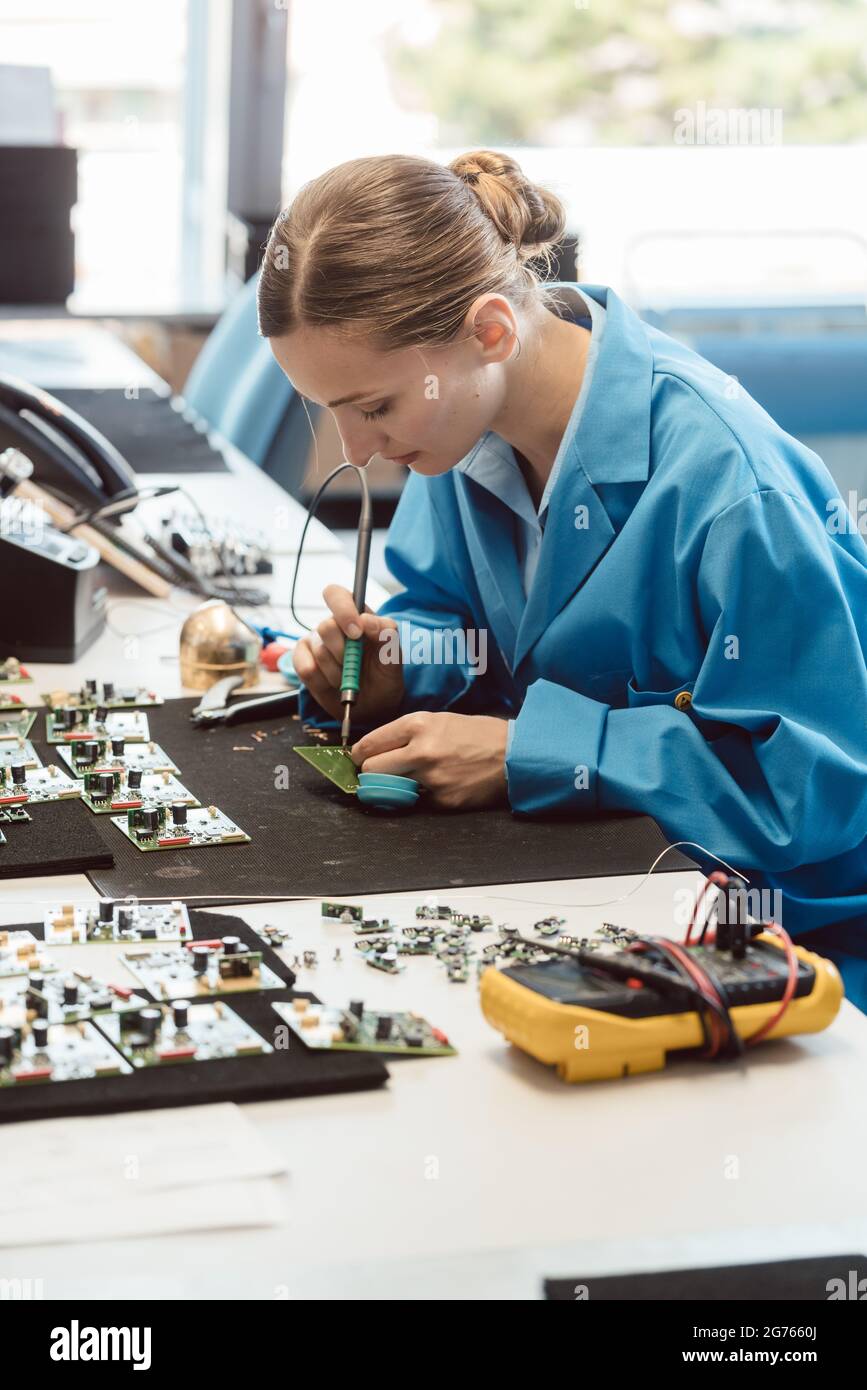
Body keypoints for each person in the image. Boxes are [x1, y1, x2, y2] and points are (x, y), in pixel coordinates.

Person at [258, 149, 867, 1010]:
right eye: (331, 412)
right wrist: (406, 659)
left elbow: (814, 791)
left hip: (783, 936)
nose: (356, 452)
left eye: (375, 407)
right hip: (581, 883)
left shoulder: (730, 486)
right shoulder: (460, 429)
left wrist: (526, 754)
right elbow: (449, 608)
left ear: (490, 331)